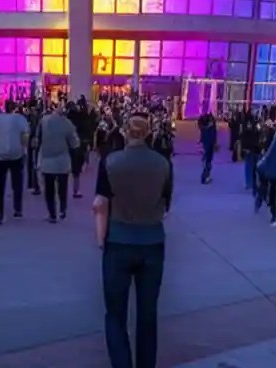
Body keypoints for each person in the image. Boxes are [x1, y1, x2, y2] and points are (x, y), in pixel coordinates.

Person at [94, 115, 172, 368]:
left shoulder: (110, 162)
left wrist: (100, 239)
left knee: (115, 315)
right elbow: (166, 203)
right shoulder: (163, 163)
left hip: (118, 241)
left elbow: (100, 204)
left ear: (125, 133)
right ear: (149, 134)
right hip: (152, 242)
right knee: (147, 315)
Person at [0, 99, 30, 225]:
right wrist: (24, 148)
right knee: (17, 183)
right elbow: (26, 135)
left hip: (0, 155)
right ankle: (18, 209)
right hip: (16, 154)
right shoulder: (20, 119)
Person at [38, 104, 81, 223]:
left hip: (47, 159)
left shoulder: (44, 121)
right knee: (63, 187)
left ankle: (52, 214)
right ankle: (62, 209)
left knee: (49, 189)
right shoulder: (68, 124)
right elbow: (74, 143)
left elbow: (38, 138)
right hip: (62, 160)